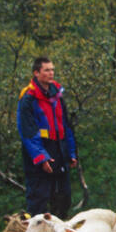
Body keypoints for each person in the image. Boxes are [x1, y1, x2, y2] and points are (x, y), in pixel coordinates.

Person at [17, 57, 78, 217]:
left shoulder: (57, 94)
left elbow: (66, 126)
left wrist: (71, 152)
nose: (51, 73)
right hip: (40, 153)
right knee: (39, 199)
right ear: (36, 73)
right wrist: (41, 157)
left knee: (64, 197)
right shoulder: (28, 98)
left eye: (52, 70)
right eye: (47, 70)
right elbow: (28, 132)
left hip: (59, 149)